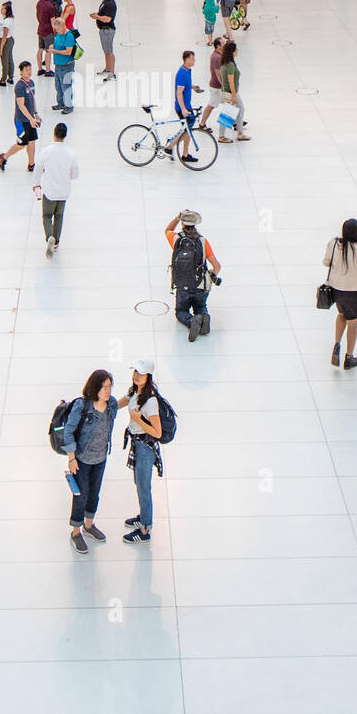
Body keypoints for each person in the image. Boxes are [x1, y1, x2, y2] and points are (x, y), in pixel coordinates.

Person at [62, 370, 130, 553]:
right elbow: (68, 432)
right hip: (82, 460)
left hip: (100, 459)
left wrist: (133, 393)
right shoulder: (82, 406)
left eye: (109, 387)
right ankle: (76, 532)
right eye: (104, 387)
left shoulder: (111, 405)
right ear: (95, 387)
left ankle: (89, 525)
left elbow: (121, 403)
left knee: (94, 493)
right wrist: (71, 458)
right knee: (80, 496)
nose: (108, 391)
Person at [322, 218, 357, 368]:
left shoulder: (334, 243)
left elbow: (326, 262)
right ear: (356, 231)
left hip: (337, 290)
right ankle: (349, 358)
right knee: (352, 323)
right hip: (355, 292)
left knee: (341, 315)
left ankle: (337, 345)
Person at [122, 358, 163, 544]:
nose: (136, 375)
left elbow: (157, 432)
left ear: (149, 376)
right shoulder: (135, 391)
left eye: (141, 373)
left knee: (144, 487)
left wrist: (138, 420)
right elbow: (118, 403)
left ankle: (145, 529)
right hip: (136, 444)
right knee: (139, 484)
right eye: (135, 372)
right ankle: (143, 515)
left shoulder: (151, 401)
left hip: (145, 447)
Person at [166, 210, 221, 342]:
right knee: (201, 306)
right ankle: (203, 317)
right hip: (200, 286)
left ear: (182, 224)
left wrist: (177, 218)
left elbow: (167, 229)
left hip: (182, 286)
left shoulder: (176, 239)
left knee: (181, 312)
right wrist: (210, 275)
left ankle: (192, 321)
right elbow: (217, 266)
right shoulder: (203, 242)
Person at [34, 122, 79, 258]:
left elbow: (38, 169)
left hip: (49, 191)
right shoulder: (71, 154)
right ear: (65, 136)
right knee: (59, 216)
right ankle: (56, 242)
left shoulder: (46, 151)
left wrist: (36, 184)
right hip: (63, 192)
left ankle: (49, 237)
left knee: (47, 215)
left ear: (54, 134)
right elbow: (75, 174)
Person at [0, 61, 40, 172]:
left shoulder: (31, 83)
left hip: (31, 119)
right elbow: (21, 105)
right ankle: (4, 157)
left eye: (30, 69)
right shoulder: (20, 86)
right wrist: (31, 119)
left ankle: (31, 164)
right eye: (26, 70)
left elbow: (32, 99)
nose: (29, 72)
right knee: (22, 144)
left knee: (32, 141)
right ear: (21, 72)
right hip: (21, 121)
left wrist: (36, 114)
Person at [173, 50, 202, 163]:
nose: (194, 60)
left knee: (187, 130)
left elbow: (185, 86)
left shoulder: (188, 70)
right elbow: (179, 93)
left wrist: (192, 86)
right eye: (192, 58)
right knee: (187, 131)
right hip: (182, 107)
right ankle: (171, 147)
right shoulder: (182, 73)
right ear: (187, 59)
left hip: (186, 106)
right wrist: (183, 109)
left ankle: (184, 153)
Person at [217, 39, 249, 142]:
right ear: (232, 52)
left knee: (239, 110)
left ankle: (239, 132)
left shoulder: (224, 63)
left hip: (228, 92)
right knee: (227, 114)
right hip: (231, 93)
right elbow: (231, 82)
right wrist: (234, 96)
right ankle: (222, 136)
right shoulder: (230, 65)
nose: (237, 51)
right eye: (236, 50)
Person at [50, 15, 77, 115]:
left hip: (66, 66)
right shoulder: (59, 34)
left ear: (62, 26)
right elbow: (57, 43)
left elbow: (69, 51)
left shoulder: (69, 36)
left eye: (57, 29)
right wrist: (52, 46)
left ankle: (69, 106)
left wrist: (55, 51)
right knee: (58, 86)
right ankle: (60, 103)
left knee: (66, 86)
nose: (56, 31)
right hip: (58, 65)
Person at [89, 0, 117, 82]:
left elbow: (108, 19)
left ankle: (112, 73)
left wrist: (97, 17)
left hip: (108, 30)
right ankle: (107, 69)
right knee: (106, 51)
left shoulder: (111, 4)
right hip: (103, 30)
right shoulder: (105, 2)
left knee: (109, 51)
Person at [34, 0, 56, 76]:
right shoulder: (50, 6)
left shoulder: (39, 3)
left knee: (40, 49)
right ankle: (48, 70)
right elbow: (53, 21)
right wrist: (55, 31)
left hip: (41, 29)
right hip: (48, 31)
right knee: (48, 50)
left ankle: (40, 69)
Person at [0, 2, 15, 86]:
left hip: (5, 41)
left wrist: (1, 49)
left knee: (4, 60)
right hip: (10, 40)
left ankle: (3, 79)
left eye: (3, 8)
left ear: (7, 10)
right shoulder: (10, 19)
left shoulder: (6, 22)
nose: (1, 10)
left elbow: (4, 35)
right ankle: (10, 77)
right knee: (10, 59)